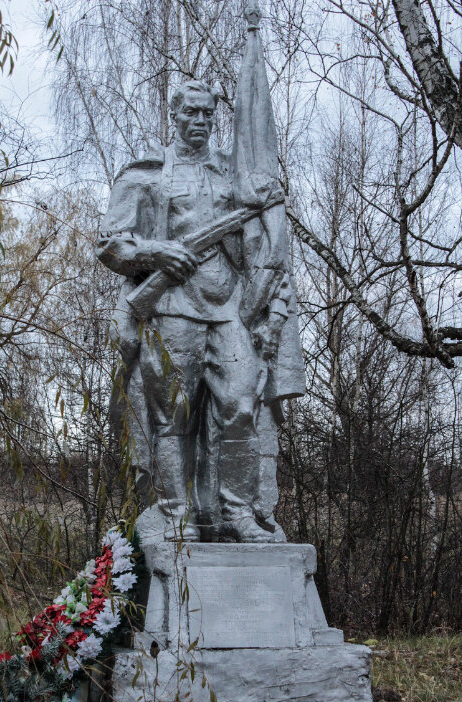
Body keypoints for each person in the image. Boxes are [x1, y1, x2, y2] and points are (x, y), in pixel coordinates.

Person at [97, 80, 303, 542]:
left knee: (241, 409)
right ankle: (177, 515)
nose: (200, 121)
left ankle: (238, 515)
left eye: (208, 113)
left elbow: (264, 244)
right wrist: (156, 252)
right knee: (173, 417)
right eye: (191, 112)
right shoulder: (146, 176)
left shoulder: (236, 175)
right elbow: (110, 245)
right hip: (172, 309)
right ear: (174, 115)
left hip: (232, 311)